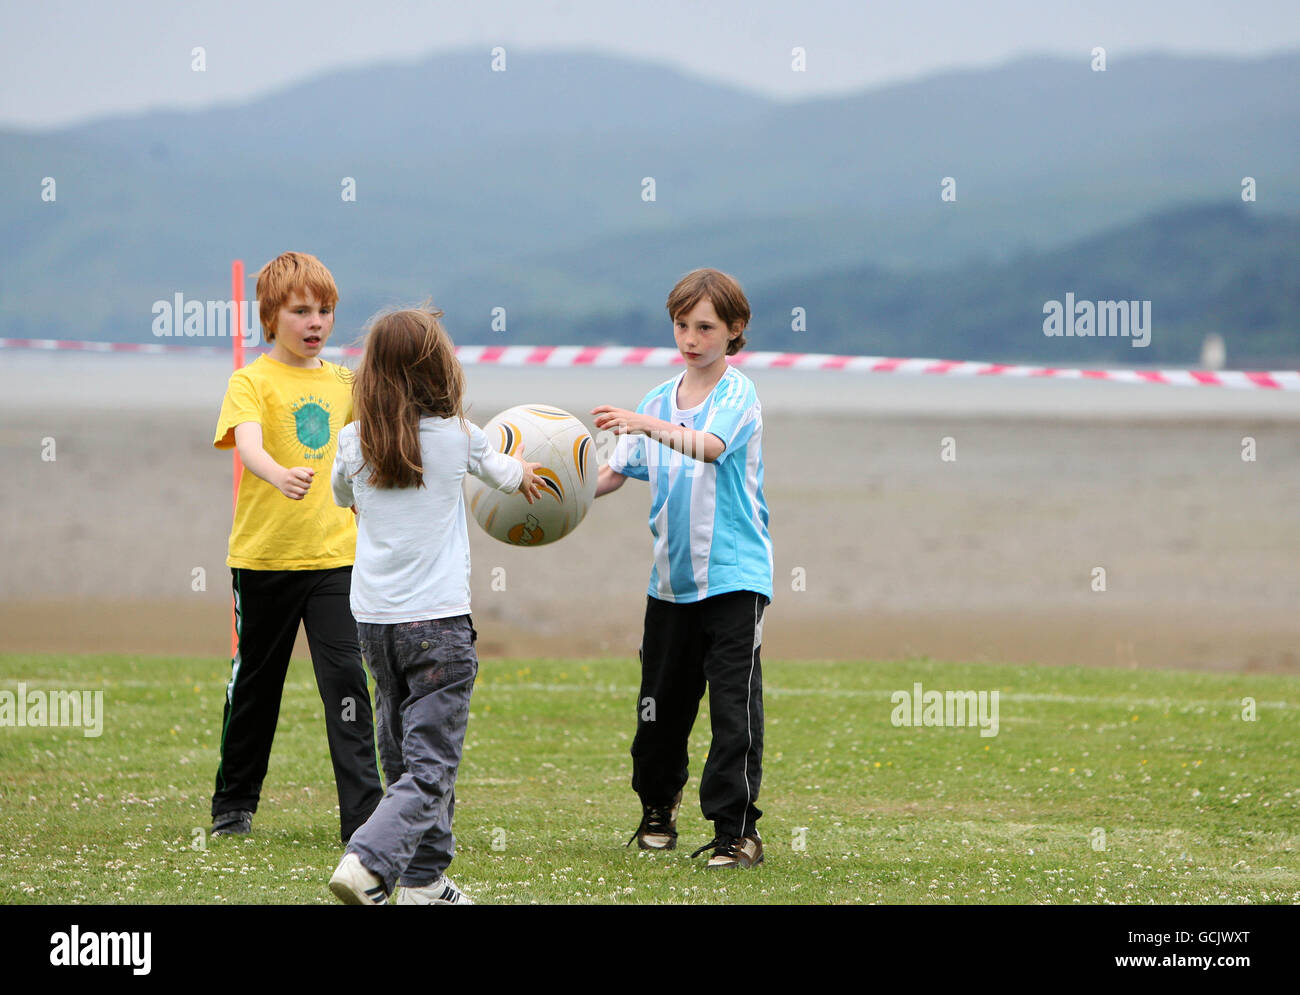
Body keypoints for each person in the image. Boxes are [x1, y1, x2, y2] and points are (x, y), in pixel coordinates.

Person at [326, 305, 541, 905]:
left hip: (373, 625)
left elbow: (343, 494)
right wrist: (527, 472)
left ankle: (424, 883)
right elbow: (507, 474)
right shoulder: (458, 437)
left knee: (402, 758)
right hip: (439, 627)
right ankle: (368, 862)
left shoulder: (352, 441)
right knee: (432, 767)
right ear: (439, 369)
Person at [591, 268, 774, 869]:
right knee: (659, 709)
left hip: (736, 579)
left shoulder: (737, 396)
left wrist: (645, 425)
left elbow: (711, 447)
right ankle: (656, 808)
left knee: (732, 710)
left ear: (734, 330)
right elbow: (614, 475)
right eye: (681, 325)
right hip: (670, 584)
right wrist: (541, 492)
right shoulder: (654, 400)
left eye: (705, 327)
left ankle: (736, 832)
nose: (690, 338)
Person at [210, 251, 384, 843]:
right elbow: (249, 445)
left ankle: (362, 817)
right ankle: (234, 804)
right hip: (262, 560)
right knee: (258, 683)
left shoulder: (347, 383)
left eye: (326, 311)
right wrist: (276, 472)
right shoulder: (250, 381)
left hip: (336, 558)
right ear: (271, 315)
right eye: (302, 310)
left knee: (347, 682)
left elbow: (375, 448)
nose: (316, 322)